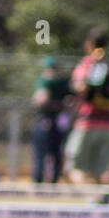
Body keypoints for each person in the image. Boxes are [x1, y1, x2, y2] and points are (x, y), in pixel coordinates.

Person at [64, 29, 109, 184]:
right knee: (101, 169)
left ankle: (89, 199)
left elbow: (80, 86)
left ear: (89, 44)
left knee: (74, 166)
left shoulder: (89, 63)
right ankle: (102, 200)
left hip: (87, 121)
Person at [31, 56, 71, 184]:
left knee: (40, 154)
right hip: (60, 121)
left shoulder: (45, 81)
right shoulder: (64, 83)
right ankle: (54, 182)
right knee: (56, 153)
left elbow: (42, 99)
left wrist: (37, 101)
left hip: (46, 120)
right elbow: (71, 100)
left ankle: (38, 182)